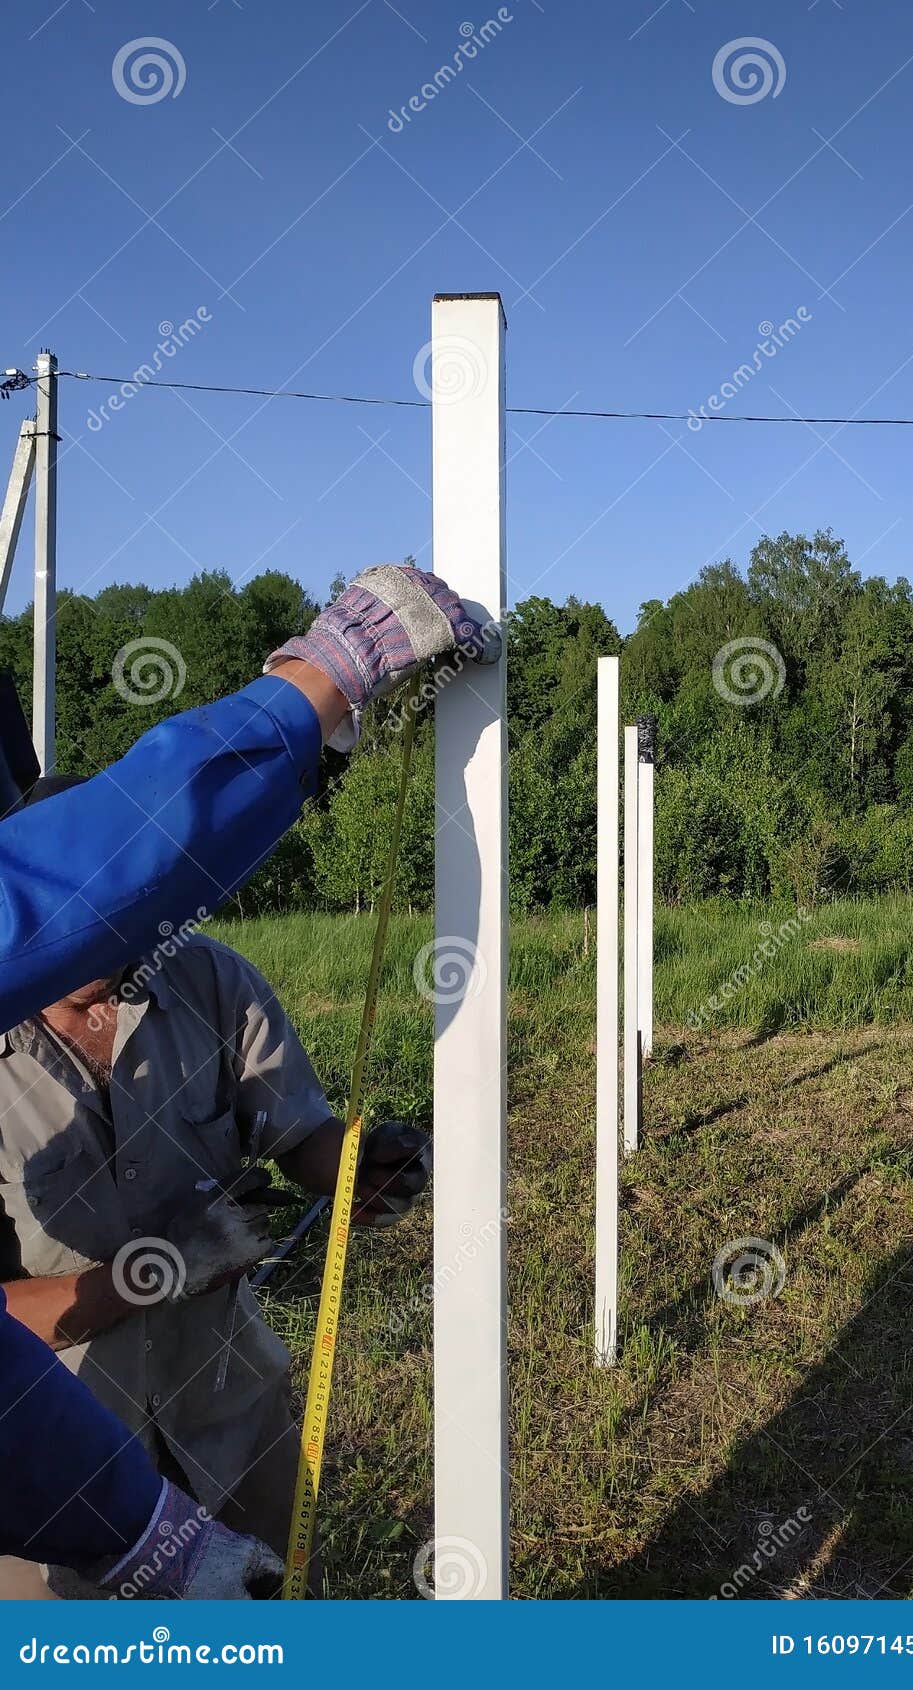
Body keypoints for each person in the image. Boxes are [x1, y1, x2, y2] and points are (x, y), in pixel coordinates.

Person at [0, 563, 488, 1594]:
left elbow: (294, 1131)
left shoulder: (206, 978)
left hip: (233, 1423)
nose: (130, 927)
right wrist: (152, 1270)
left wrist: (360, 1161)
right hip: (64, 1480)